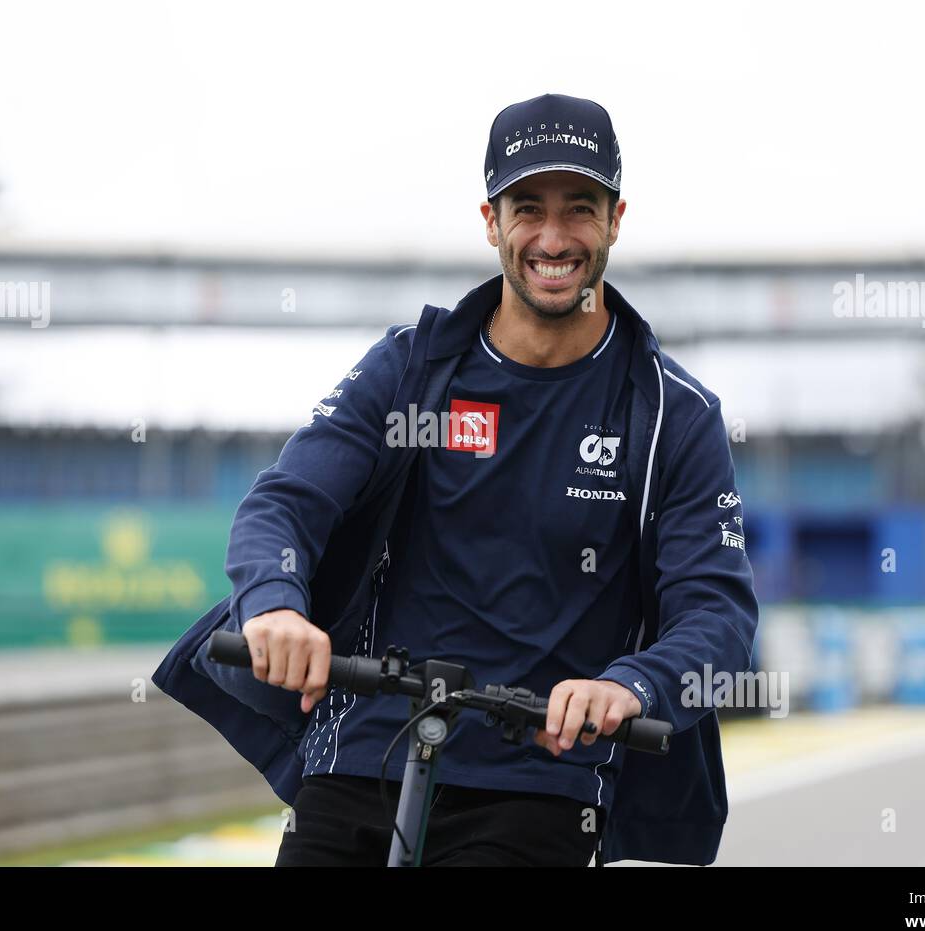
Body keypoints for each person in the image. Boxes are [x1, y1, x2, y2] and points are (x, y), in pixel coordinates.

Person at [154, 93, 759, 866]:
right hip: (362, 756)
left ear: (615, 219)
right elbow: (286, 503)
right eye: (526, 207)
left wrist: (631, 686)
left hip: (546, 782)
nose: (552, 236)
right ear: (490, 220)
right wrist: (275, 607)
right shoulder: (412, 367)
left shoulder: (676, 414)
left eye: (579, 207)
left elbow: (718, 614)